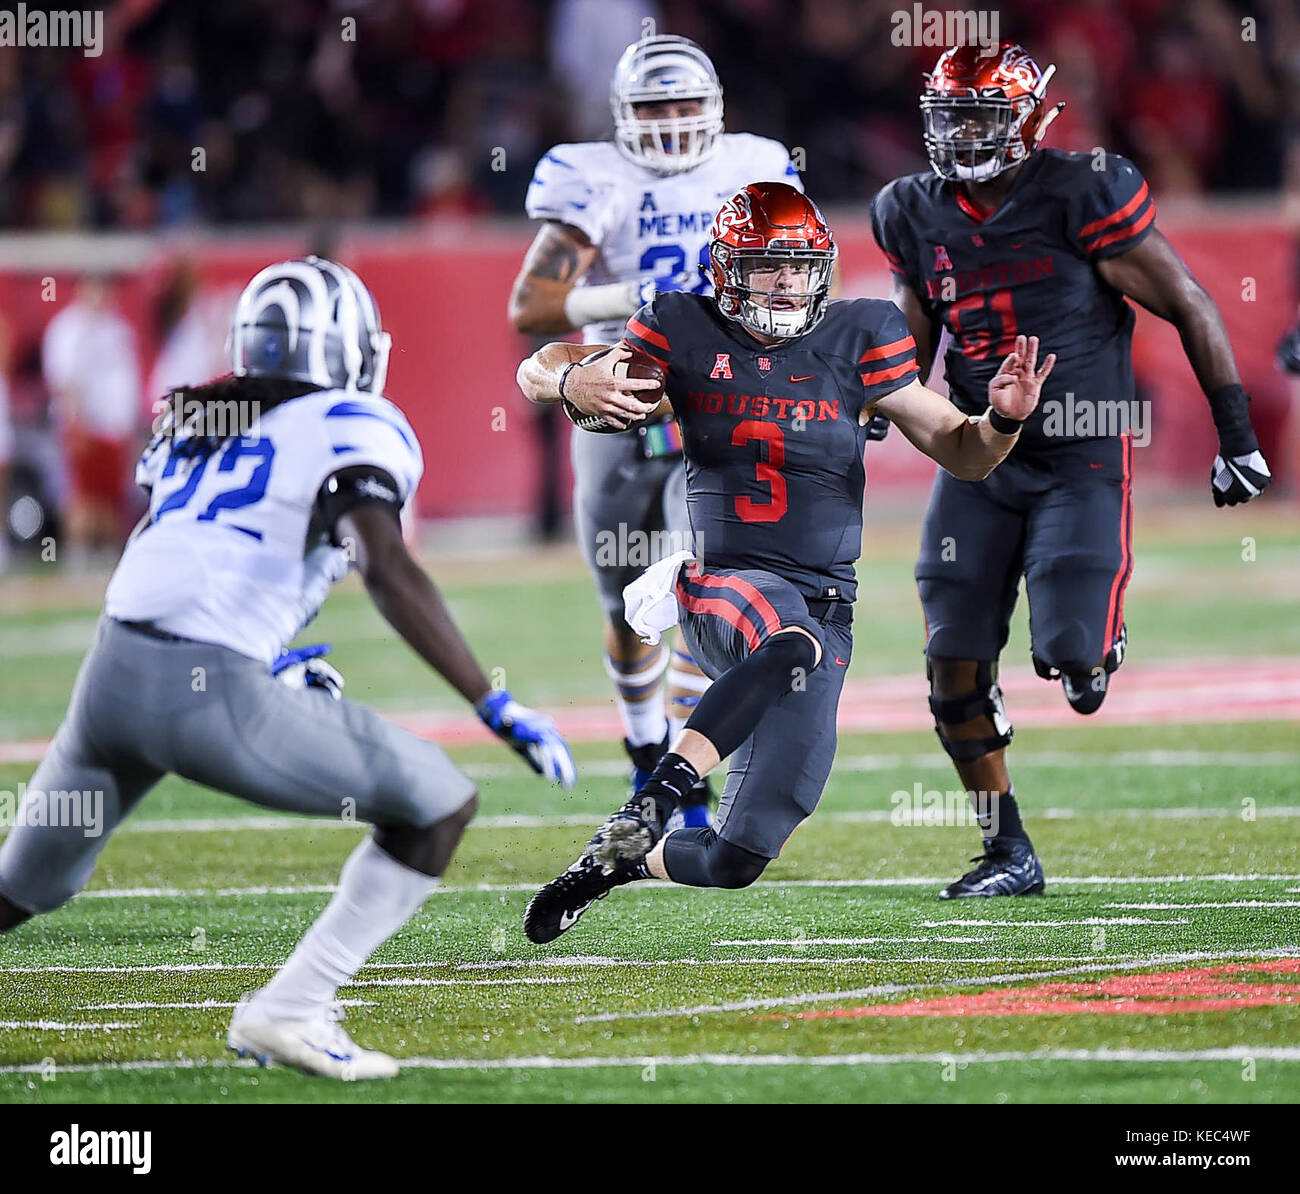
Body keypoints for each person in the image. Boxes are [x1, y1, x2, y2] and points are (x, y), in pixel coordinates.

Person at [0, 257, 576, 1078]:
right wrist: (491, 700)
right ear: (344, 351)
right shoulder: (351, 422)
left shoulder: (198, 422)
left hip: (110, 676)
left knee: (23, 886)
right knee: (439, 805)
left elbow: (183, 555)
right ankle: (292, 1009)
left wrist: (260, 654)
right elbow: (385, 566)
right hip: (205, 691)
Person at [515, 183, 1055, 943]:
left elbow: (964, 454)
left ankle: (619, 862)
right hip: (721, 588)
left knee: (738, 856)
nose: (788, 283)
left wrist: (1002, 419)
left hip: (827, 607)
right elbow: (545, 363)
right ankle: (650, 802)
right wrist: (566, 378)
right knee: (785, 640)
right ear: (729, 268)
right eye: (770, 265)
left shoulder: (862, 334)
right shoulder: (683, 327)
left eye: (801, 266)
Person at [870, 42, 1272, 899]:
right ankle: (1005, 850)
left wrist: (1236, 436)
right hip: (980, 451)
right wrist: (881, 397)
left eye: (982, 117)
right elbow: (915, 319)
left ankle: (1093, 643)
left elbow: (1189, 301)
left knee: (1069, 660)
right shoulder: (909, 208)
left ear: (1031, 121)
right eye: (951, 118)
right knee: (952, 665)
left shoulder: (1082, 190)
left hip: (1080, 451)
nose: (964, 134)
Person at [509, 33, 802, 824]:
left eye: (684, 104)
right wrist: (630, 292)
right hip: (619, 397)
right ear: (621, 115)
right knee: (622, 601)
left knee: (699, 583)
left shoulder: (755, 164)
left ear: (714, 110)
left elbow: (812, 279)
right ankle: (646, 751)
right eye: (653, 107)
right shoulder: (593, 177)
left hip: (713, 401)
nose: (671, 121)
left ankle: (684, 767)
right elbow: (529, 309)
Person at [41, 274, 143, 565]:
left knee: (111, 500)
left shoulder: (119, 329)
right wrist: (74, 422)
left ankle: (107, 563)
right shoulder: (69, 328)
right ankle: (78, 557)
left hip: (115, 427)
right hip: (86, 425)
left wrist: (131, 428)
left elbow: (128, 380)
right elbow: (64, 379)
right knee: (83, 499)